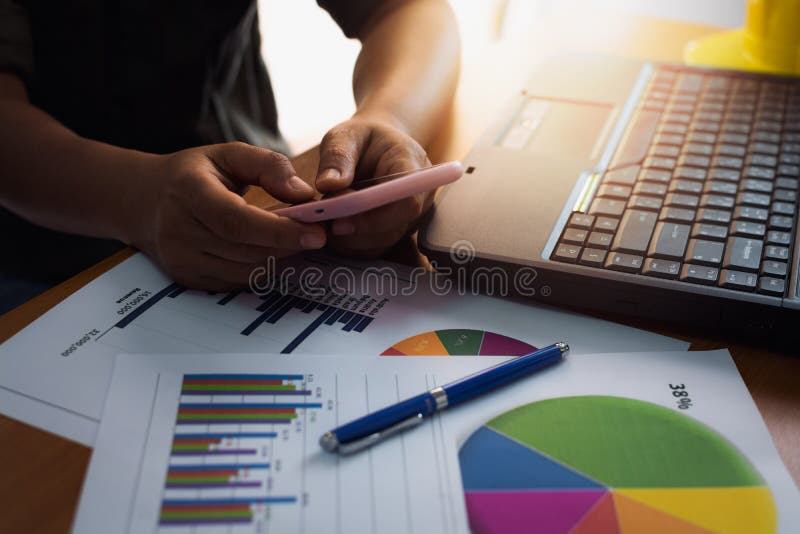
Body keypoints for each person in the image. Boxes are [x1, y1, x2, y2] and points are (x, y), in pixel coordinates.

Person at [0, 0, 460, 309]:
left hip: (264, 207)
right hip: (43, 258)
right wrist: (134, 198)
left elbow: (405, 9)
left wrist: (391, 119)